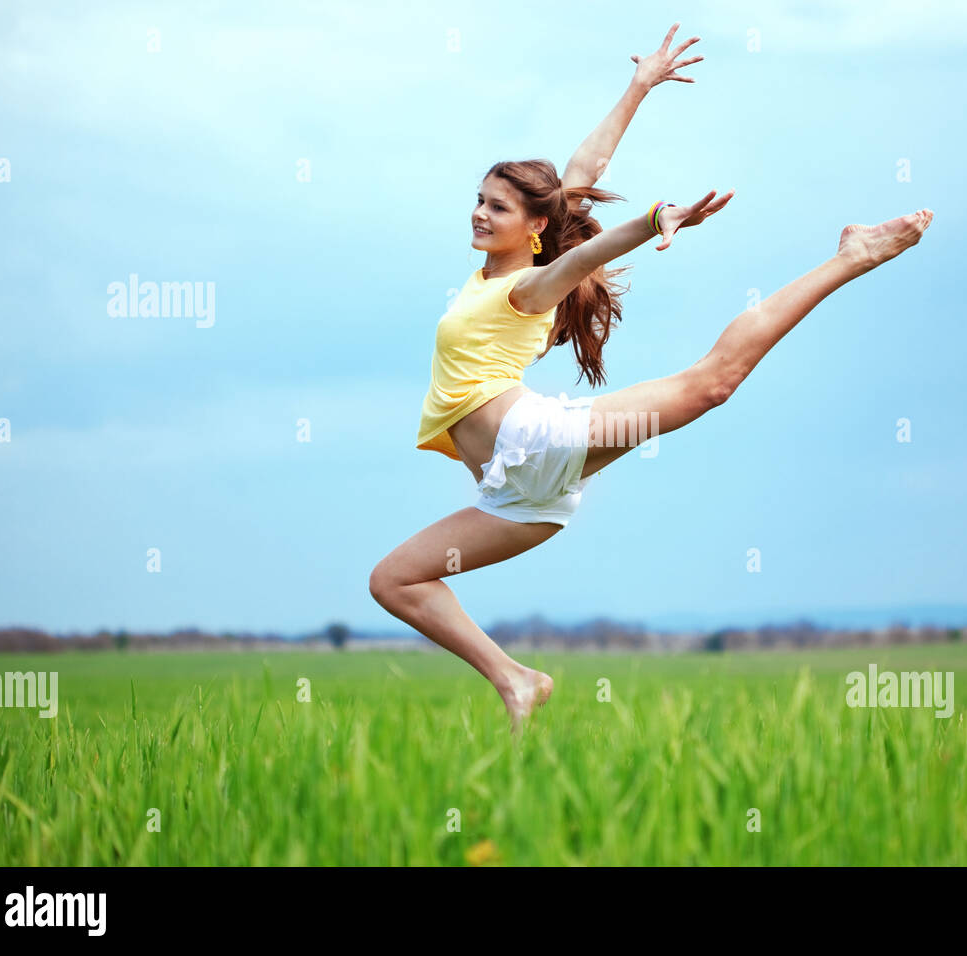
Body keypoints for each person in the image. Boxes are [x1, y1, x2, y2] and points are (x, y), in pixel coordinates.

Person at [370, 23, 933, 735]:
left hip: (535, 440)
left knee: (712, 384)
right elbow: (581, 172)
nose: (481, 212)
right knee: (394, 580)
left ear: (533, 227)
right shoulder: (493, 274)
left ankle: (853, 256)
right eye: (480, 198)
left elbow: (578, 259)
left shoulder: (528, 288)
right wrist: (639, 86)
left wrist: (648, 220)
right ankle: (517, 680)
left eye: (499, 207)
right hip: (518, 495)